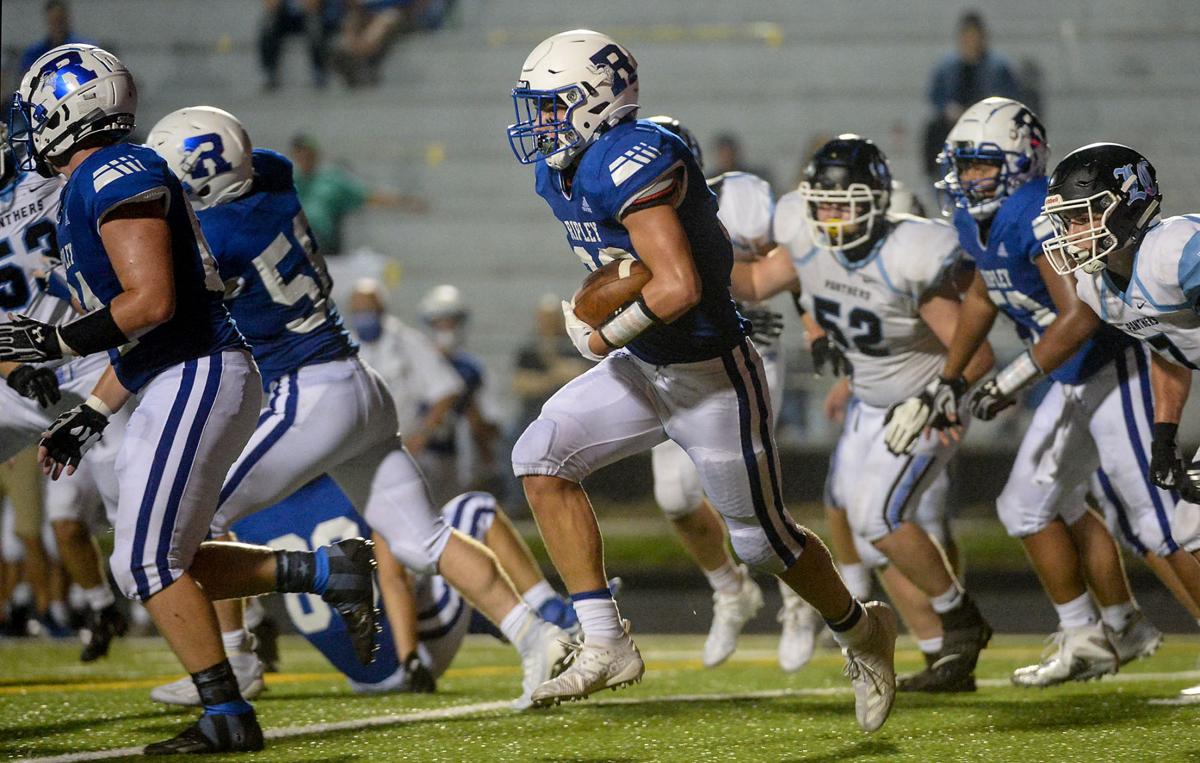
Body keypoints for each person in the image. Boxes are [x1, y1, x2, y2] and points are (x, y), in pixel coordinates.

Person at [506, 29, 898, 732]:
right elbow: (621, 265)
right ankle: (606, 642)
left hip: (711, 375)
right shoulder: (563, 170)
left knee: (763, 543)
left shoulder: (631, 156)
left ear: (594, 102)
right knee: (538, 458)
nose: (537, 122)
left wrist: (601, 332)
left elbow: (681, 283)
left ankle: (862, 630)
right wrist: (606, 307)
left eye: (549, 105)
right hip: (645, 366)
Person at [3, 46, 379, 754]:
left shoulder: (115, 169)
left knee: (147, 560)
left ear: (69, 110)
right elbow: (152, 323)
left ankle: (226, 714)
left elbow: (152, 303)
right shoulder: (104, 176)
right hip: (178, 371)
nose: (29, 128)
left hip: (198, 371)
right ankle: (329, 571)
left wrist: (50, 344)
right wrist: (92, 411)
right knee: (142, 559)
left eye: (38, 111)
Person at [146, 105, 570, 710]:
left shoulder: (214, 242)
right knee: (424, 540)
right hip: (361, 383)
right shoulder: (272, 176)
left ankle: (236, 659)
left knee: (192, 518)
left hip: (308, 391)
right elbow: (259, 160)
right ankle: (538, 636)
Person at [888, 99, 1169, 688]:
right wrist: (949, 378)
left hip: (1111, 365)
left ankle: (1093, 631)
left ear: (1022, 161)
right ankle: (1115, 627)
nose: (968, 180)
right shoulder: (977, 219)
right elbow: (984, 297)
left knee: (1153, 520)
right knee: (1051, 504)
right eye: (962, 167)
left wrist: (1014, 377)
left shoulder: (1035, 210)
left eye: (981, 166)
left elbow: (1079, 315)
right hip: (1073, 375)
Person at [731, 134, 996, 692]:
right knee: (859, 516)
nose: (829, 217)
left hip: (923, 404)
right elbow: (755, 281)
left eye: (843, 204)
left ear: (875, 201)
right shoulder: (805, 240)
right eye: (822, 204)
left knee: (882, 518)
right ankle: (941, 635)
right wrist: (685, 256)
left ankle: (960, 620)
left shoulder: (907, 256)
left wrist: (939, 397)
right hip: (873, 402)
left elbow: (979, 354)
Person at [1041, 141, 1200, 704]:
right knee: (1188, 531)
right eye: (1068, 219)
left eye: (1084, 215)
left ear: (1130, 203)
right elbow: (1169, 349)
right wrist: (1163, 433)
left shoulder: (1176, 250)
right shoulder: (1097, 286)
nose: (1074, 232)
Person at [638, 115, 790, 669]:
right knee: (675, 498)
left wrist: (814, 322)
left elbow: (797, 261)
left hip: (746, 355)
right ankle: (731, 590)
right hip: (673, 359)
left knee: (742, 485)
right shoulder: (624, 216)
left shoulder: (744, 197)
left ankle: (797, 595)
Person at [0, 120, 131, 660]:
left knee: (141, 519)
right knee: (64, 520)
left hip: (96, 360)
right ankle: (99, 607)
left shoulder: (54, 183)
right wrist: (11, 371)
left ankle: (238, 638)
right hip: (31, 376)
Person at [347, 278, 464, 477]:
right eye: (358, 311)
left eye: (368, 310)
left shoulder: (408, 342)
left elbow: (446, 391)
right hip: (361, 456)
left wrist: (420, 438)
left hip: (407, 452)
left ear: (382, 309)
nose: (364, 317)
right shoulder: (348, 346)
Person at [418, 284, 501, 502]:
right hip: (419, 451)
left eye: (452, 320)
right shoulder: (415, 364)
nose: (446, 327)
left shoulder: (472, 369)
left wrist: (485, 460)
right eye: (440, 321)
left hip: (457, 455)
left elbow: (486, 423)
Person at [289, 133, 426, 254]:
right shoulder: (288, 181)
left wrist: (405, 201)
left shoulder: (331, 179)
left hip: (321, 241)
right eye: (300, 153)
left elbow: (368, 195)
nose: (305, 158)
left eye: (308, 153)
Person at [923, 11, 1021, 180]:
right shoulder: (946, 67)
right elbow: (935, 97)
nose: (971, 42)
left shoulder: (998, 67)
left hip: (990, 129)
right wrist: (949, 110)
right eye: (967, 37)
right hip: (953, 128)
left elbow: (1010, 99)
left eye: (975, 37)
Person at [258, 0, 343, 91]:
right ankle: (270, 71)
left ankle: (319, 69)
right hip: (283, 18)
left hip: (305, 17)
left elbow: (313, 6)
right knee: (267, 31)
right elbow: (270, 6)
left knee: (315, 28)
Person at [18, 1, 96, 75]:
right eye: (54, 20)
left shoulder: (84, 48)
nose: (57, 25)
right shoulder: (34, 53)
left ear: (67, 19)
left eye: (60, 20)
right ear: (48, 20)